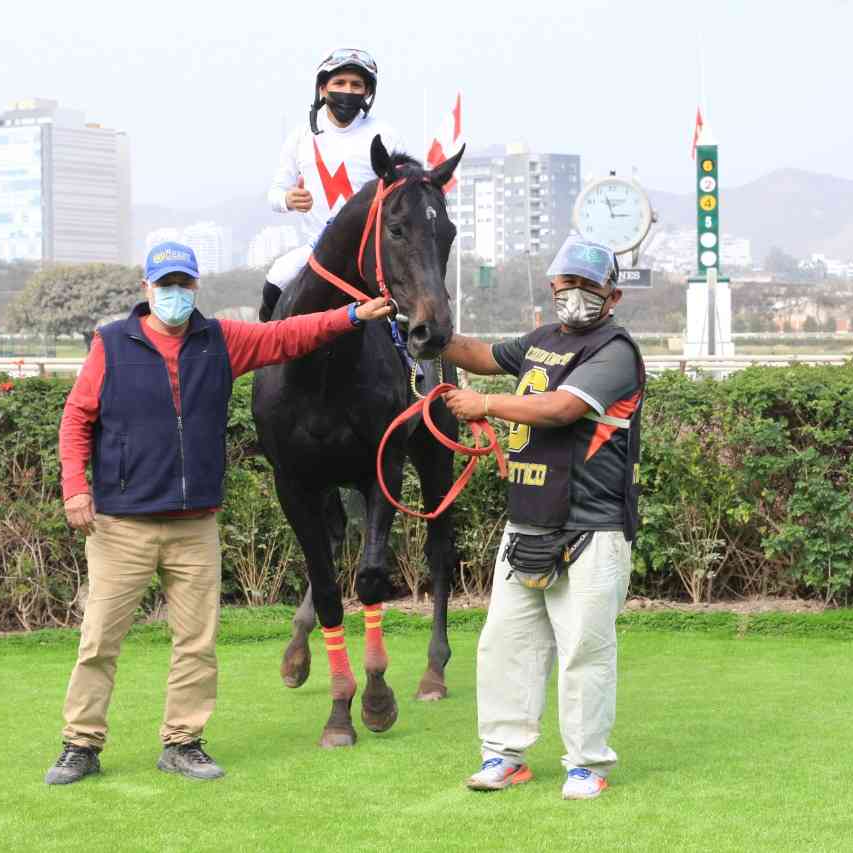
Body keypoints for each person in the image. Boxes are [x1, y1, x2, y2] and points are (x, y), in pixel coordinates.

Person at [45, 240, 392, 785]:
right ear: (146, 289)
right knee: (99, 643)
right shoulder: (111, 344)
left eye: (183, 284)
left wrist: (352, 314)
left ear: (196, 288)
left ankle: (183, 742)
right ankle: (80, 744)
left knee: (197, 643)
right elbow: (76, 419)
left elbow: (288, 335)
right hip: (122, 524)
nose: (175, 294)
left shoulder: (220, 340)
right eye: (165, 285)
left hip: (193, 524)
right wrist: (74, 488)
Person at [439, 236, 645, 801]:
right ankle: (504, 756)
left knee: (585, 648)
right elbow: (484, 357)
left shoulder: (616, 350)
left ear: (612, 294)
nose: (575, 296)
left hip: (593, 525)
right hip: (527, 518)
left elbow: (562, 409)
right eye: (566, 284)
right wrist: (429, 332)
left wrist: (485, 405)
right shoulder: (542, 340)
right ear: (552, 286)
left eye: (588, 287)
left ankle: (587, 764)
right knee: (506, 643)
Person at [259, 47, 403, 322]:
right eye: (339, 83)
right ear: (323, 89)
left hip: (371, 252)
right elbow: (275, 193)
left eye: (356, 85)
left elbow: (405, 194)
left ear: (367, 93)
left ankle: (421, 364)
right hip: (317, 248)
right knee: (276, 277)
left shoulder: (386, 135)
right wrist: (288, 199)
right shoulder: (300, 137)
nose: (347, 90)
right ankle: (269, 351)